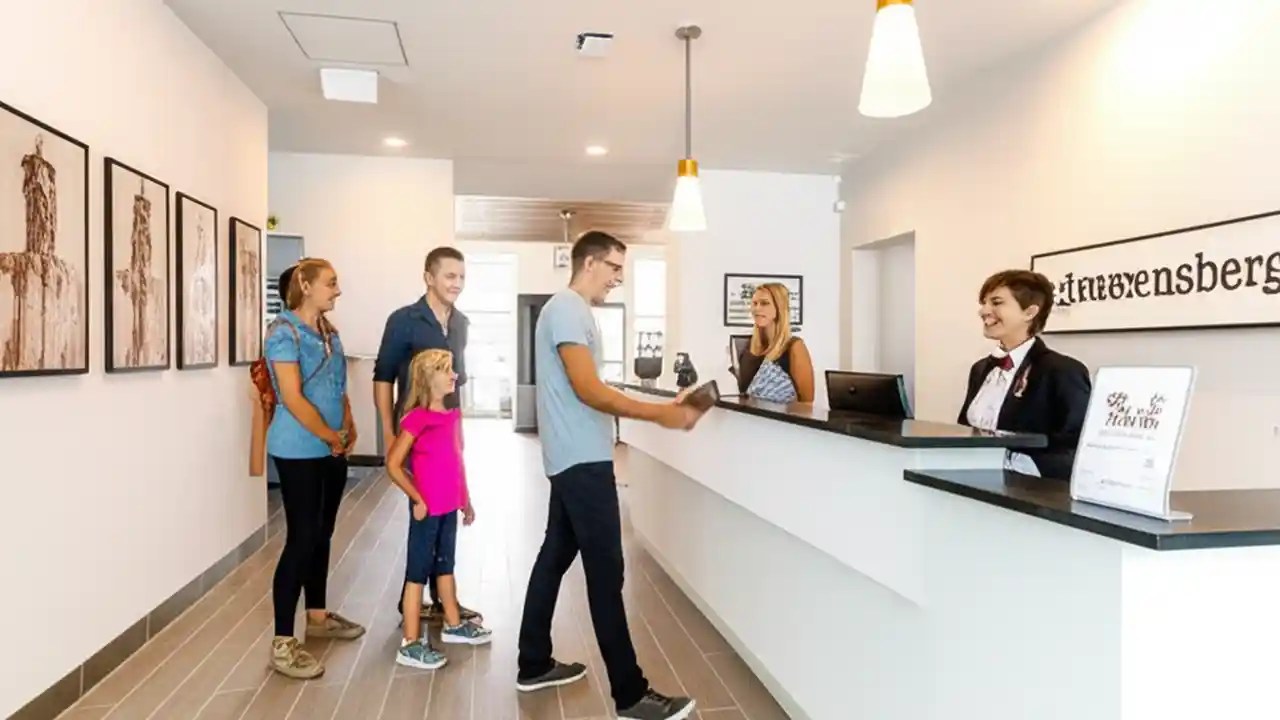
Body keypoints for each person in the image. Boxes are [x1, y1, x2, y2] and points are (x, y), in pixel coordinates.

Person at [516, 231, 704, 720]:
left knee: (555, 555)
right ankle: (630, 694)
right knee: (607, 572)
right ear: (591, 263)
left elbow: (587, 386)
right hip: (582, 462)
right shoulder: (568, 309)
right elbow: (589, 390)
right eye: (615, 267)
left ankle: (533, 662)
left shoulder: (570, 311)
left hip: (574, 457)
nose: (619, 278)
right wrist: (659, 415)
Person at [263, 258, 365, 680]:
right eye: (331, 283)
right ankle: (283, 643)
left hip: (331, 447)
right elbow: (292, 397)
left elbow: (337, 387)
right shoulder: (282, 333)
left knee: (322, 532)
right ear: (305, 286)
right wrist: (329, 435)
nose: (337, 291)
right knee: (302, 537)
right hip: (299, 449)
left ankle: (318, 617)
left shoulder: (329, 332)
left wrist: (347, 424)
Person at [373, 246, 483, 626]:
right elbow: (383, 378)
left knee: (444, 514)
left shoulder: (461, 324)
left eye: (462, 277)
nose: (457, 283)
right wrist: (389, 434)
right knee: (423, 513)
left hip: (446, 433)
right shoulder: (404, 320)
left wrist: (459, 438)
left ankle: (442, 600)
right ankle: (414, 602)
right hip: (415, 434)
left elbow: (457, 383)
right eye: (450, 276)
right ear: (429, 277)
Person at [386, 348, 493, 670]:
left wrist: (466, 499)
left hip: (448, 508)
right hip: (428, 510)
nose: (453, 375)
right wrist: (417, 499)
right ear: (428, 378)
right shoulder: (417, 419)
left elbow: (458, 460)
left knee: (446, 566)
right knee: (417, 573)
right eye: (446, 370)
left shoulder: (453, 416)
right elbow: (393, 465)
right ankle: (410, 643)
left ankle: (453, 623)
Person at [957, 269, 1091, 478]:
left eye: (996, 302)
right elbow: (965, 432)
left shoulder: (1062, 371)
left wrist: (1017, 466)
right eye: (984, 303)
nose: (984, 311)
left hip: (1028, 489)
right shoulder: (980, 369)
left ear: (1030, 312)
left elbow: (1076, 449)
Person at [732, 282, 815, 403]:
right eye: (754, 303)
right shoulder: (747, 348)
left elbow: (807, 404)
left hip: (783, 415)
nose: (757, 308)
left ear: (779, 308)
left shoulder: (795, 347)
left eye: (764, 303)